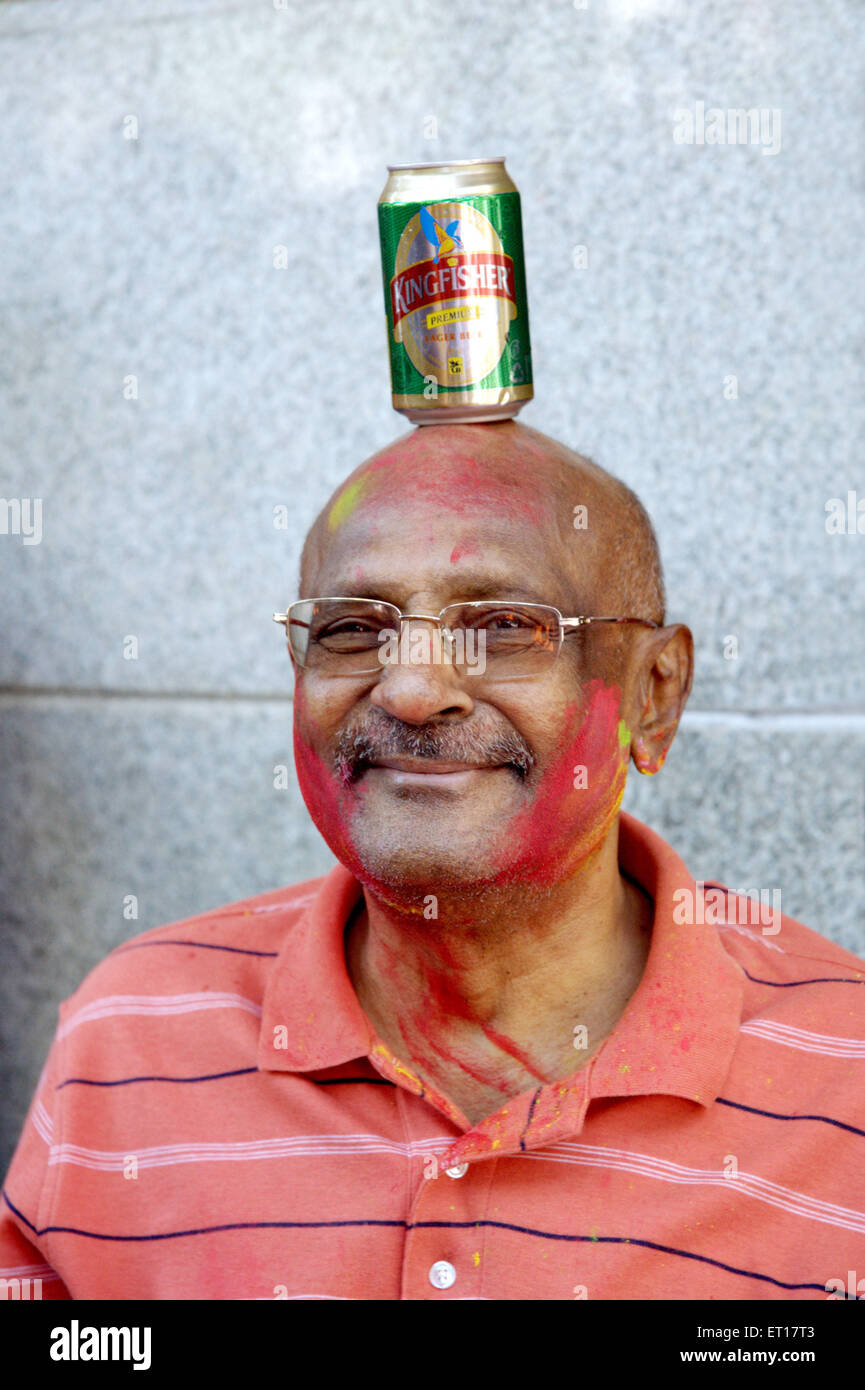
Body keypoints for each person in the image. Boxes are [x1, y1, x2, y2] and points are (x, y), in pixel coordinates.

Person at [2, 421, 863, 1301]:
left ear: (653, 695)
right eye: (351, 628)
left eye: (502, 625)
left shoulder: (844, 1079)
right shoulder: (131, 1038)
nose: (411, 689)